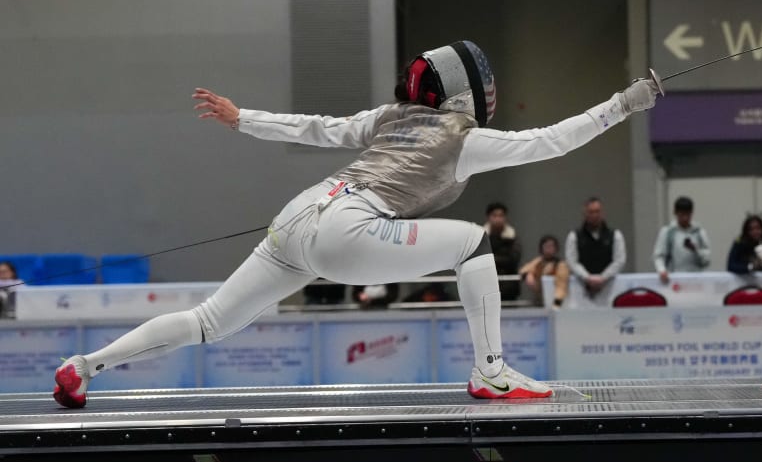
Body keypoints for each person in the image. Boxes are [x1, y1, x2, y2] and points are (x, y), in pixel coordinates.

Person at [51, 40, 661, 408]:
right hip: (349, 228)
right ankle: (492, 374)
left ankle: (83, 369)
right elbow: (550, 141)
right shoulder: (463, 137)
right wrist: (626, 102)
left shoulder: (388, 117)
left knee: (209, 320)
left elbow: (315, 127)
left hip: (299, 214)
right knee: (475, 242)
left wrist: (243, 119)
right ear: (464, 93)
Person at [564, 197, 627, 299]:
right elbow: (571, 261)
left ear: (602, 213)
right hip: (580, 290)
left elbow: (620, 261)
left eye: (597, 211)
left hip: (610, 289)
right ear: (585, 214)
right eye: (591, 212)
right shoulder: (574, 236)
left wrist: (602, 278)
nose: (594, 215)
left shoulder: (616, 235)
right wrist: (587, 278)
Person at [653, 196, 712, 283]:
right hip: (673, 279)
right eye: (682, 214)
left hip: (696, 280)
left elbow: (707, 260)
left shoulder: (699, 232)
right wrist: (662, 270)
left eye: (688, 214)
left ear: (691, 213)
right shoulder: (668, 232)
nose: (685, 218)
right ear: (675, 213)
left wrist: (696, 250)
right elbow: (658, 255)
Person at [482, 202, 522, 300]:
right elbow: (481, 260)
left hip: (509, 288)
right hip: (487, 287)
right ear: (488, 217)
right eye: (494, 215)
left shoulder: (512, 237)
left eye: (501, 215)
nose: (498, 219)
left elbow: (514, 260)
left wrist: (493, 259)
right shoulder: (481, 237)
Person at [519, 235, 570, 308]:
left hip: (555, 302)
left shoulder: (561, 265)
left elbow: (561, 287)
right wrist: (528, 275)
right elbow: (524, 270)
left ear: (556, 248)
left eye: (551, 246)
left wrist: (556, 304)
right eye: (546, 246)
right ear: (541, 248)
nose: (549, 249)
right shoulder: (538, 262)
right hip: (539, 301)